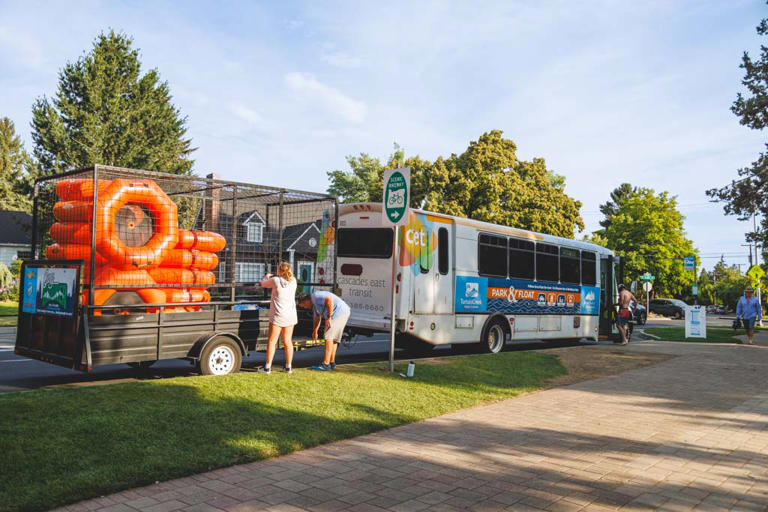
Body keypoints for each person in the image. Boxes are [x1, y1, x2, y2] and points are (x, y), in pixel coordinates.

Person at [258, 262, 297, 374]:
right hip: (290, 316)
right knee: (287, 341)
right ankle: (288, 367)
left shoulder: (275, 280)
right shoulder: (293, 281)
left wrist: (267, 276)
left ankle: (267, 368)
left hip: (277, 316)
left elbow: (263, 284)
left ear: (279, 270)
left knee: (272, 341)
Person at [298, 289, 351, 371]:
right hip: (343, 312)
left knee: (328, 337)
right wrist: (315, 330)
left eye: (304, 305)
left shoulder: (315, 297)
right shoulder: (314, 306)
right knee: (333, 339)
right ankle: (331, 363)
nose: (305, 307)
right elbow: (316, 318)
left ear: (306, 300)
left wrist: (328, 317)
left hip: (338, 312)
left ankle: (326, 364)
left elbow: (329, 300)